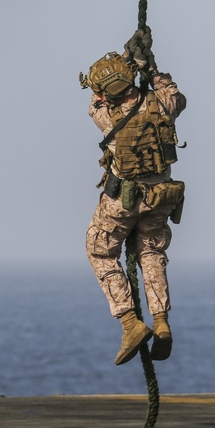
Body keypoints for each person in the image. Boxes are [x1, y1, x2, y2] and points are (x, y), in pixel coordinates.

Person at [82, 50, 187, 366]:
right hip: (160, 196)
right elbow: (176, 96)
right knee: (151, 254)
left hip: (123, 201)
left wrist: (126, 60)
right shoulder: (162, 103)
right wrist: (149, 66)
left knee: (100, 251)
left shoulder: (104, 115)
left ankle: (130, 323)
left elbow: (97, 98)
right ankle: (161, 322)